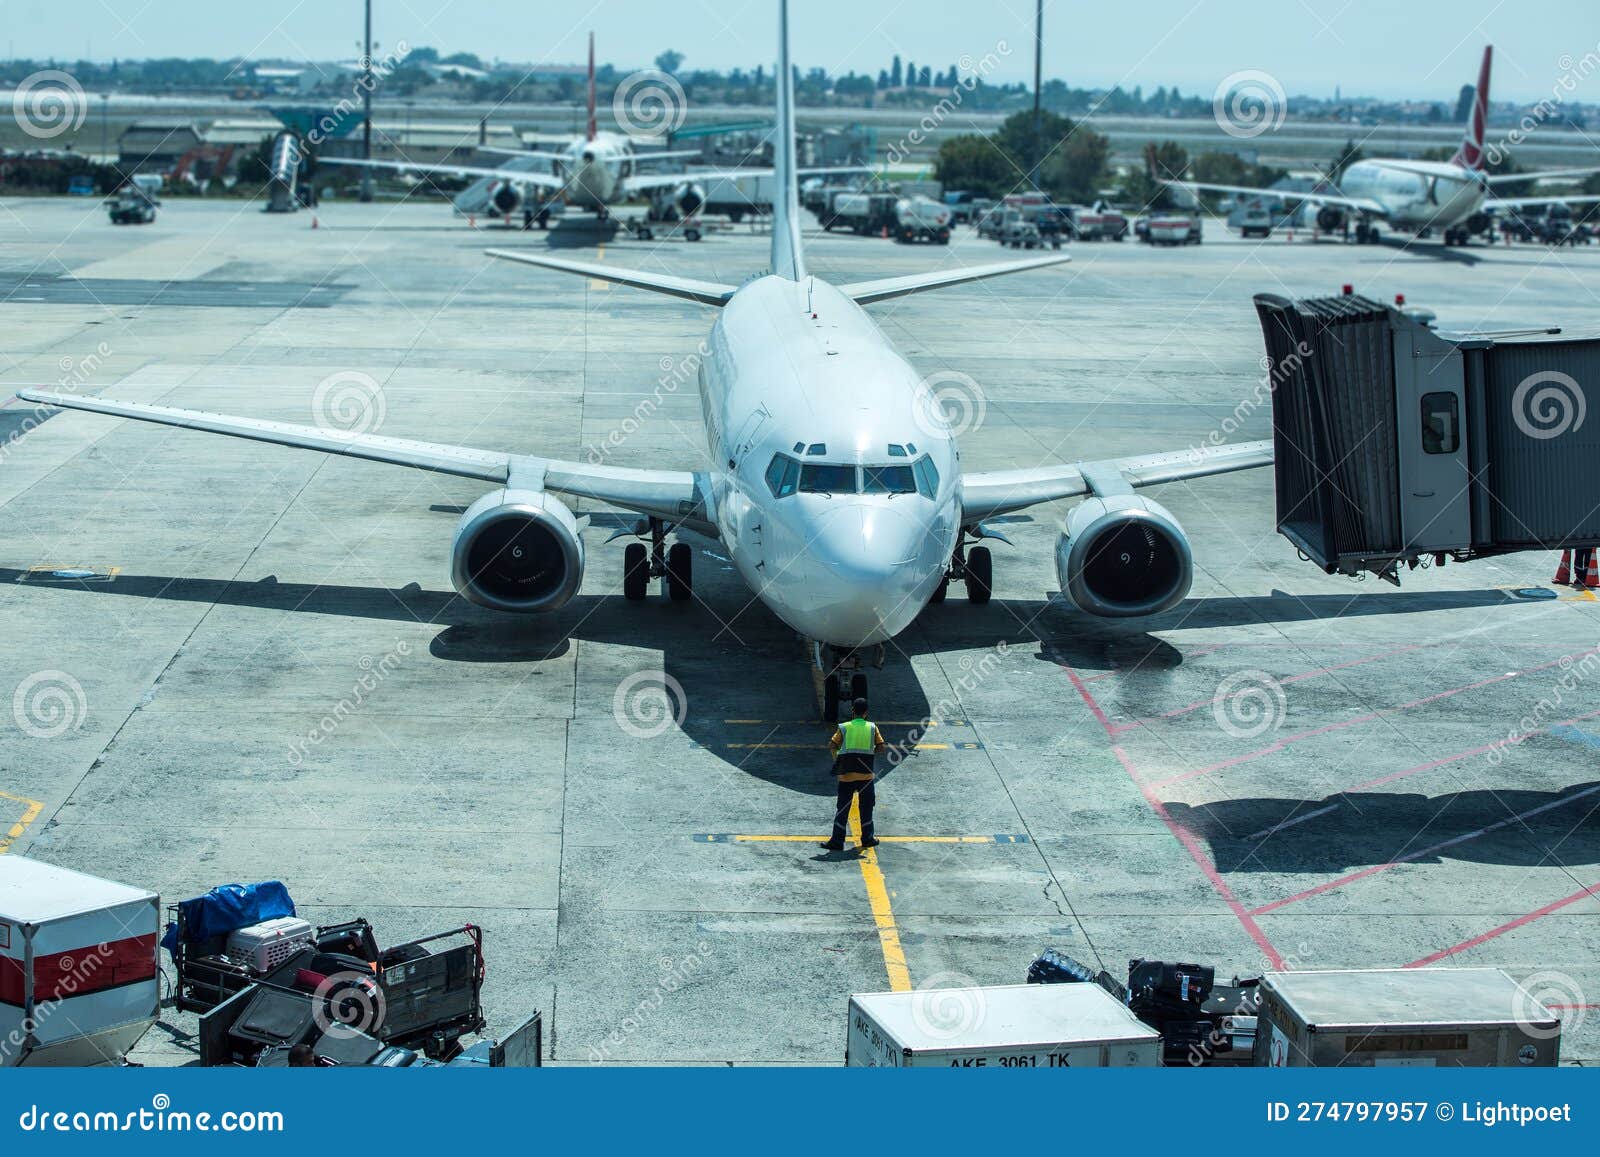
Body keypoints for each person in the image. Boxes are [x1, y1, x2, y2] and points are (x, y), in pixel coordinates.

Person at [822, 698, 885, 851]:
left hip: (846, 776)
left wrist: (839, 756)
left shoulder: (844, 727)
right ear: (866, 713)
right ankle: (868, 838)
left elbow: (832, 744)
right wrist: (870, 754)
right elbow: (881, 747)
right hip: (866, 776)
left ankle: (837, 841)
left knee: (843, 809)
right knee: (866, 808)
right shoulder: (872, 727)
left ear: (852, 711)